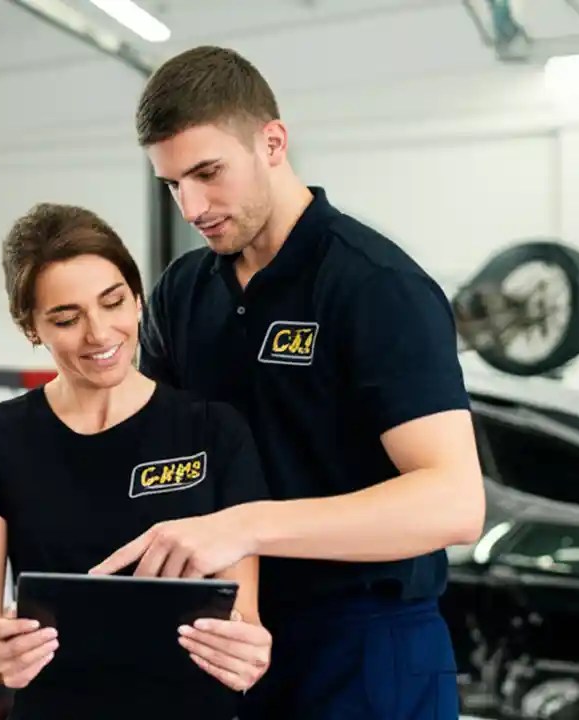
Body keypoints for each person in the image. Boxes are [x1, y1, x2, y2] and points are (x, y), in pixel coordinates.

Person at [87, 46, 487, 718]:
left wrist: (248, 527)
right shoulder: (183, 294)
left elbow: (454, 503)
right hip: (228, 636)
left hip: (366, 645)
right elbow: (158, 459)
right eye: (172, 184)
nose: (193, 205)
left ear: (272, 142)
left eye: (208, 173)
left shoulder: (374, 286)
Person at [0, 202, 274, 719]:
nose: (99, 334)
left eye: (113, 302)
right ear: (32, 328)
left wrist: (247, 650)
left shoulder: (214, 431)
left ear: (139, 299)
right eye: (66, 318)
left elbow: (244, 615)